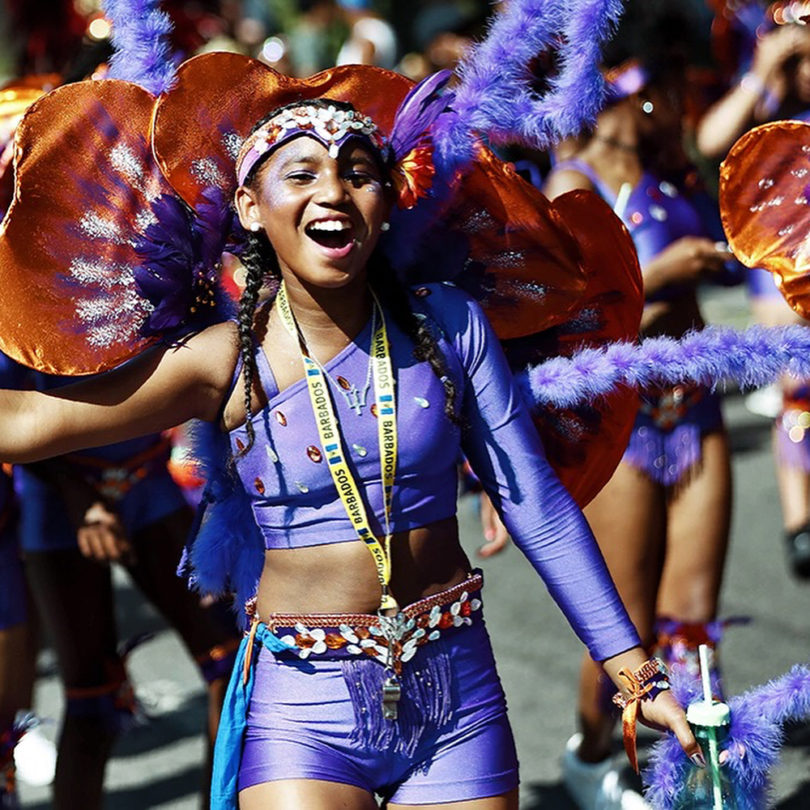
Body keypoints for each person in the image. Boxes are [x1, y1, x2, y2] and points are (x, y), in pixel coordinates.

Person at [0, 48, 703, 809]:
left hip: (454, 692)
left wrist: (633, 668)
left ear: (389, 199)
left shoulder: (449, 323)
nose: (332, 191)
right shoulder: (225, 358)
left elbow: (533, 499)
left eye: (358, 174)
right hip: (305, 708)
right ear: (248, 208)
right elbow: (35, 417)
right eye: (298, 174)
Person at [545, 60, 736, 810]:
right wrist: (662, 273)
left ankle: (691, 776)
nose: (664, 99)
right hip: (619, 424)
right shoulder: (572, 181)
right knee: (621, 630)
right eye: (649, 87)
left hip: (693, 410)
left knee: (691, 617)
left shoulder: (672, 172)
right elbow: (570, 309)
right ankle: (594, 754)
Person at [697, 9, 810, 578]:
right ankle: (800, 524)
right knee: (798, 385)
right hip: (784, 247)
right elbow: (710, 139)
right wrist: (765, 72)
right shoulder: (769, 91)